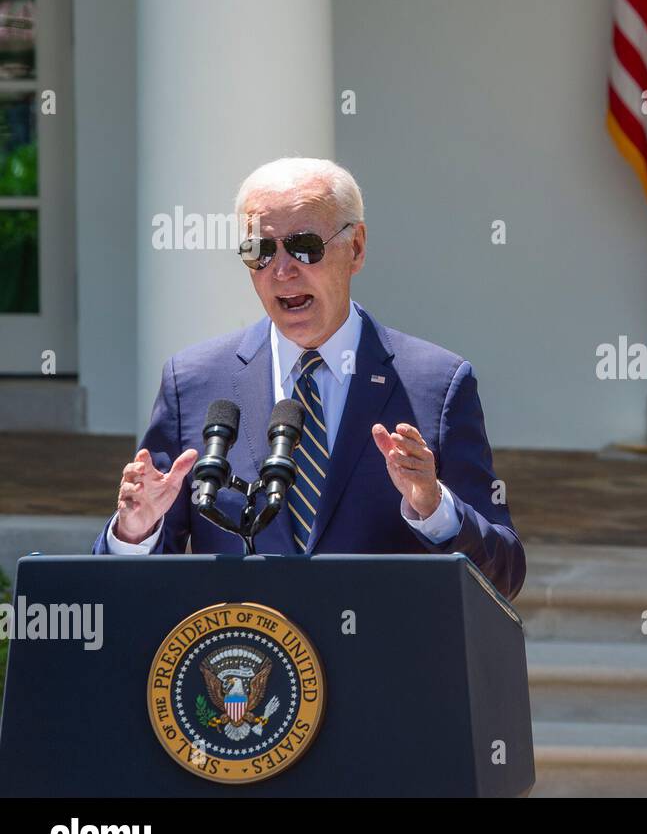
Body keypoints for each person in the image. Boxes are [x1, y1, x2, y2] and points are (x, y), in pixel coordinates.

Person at [92, 157, 525, 600]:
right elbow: (127, 587)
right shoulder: (194, 381)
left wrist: (436, 509)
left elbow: (504, 575)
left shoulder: (436, 385)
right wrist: (134, 530)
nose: (282, 270)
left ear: (355, 247)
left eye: (304, 247)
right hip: (242, 662)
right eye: (260, 251)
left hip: (382, 663)